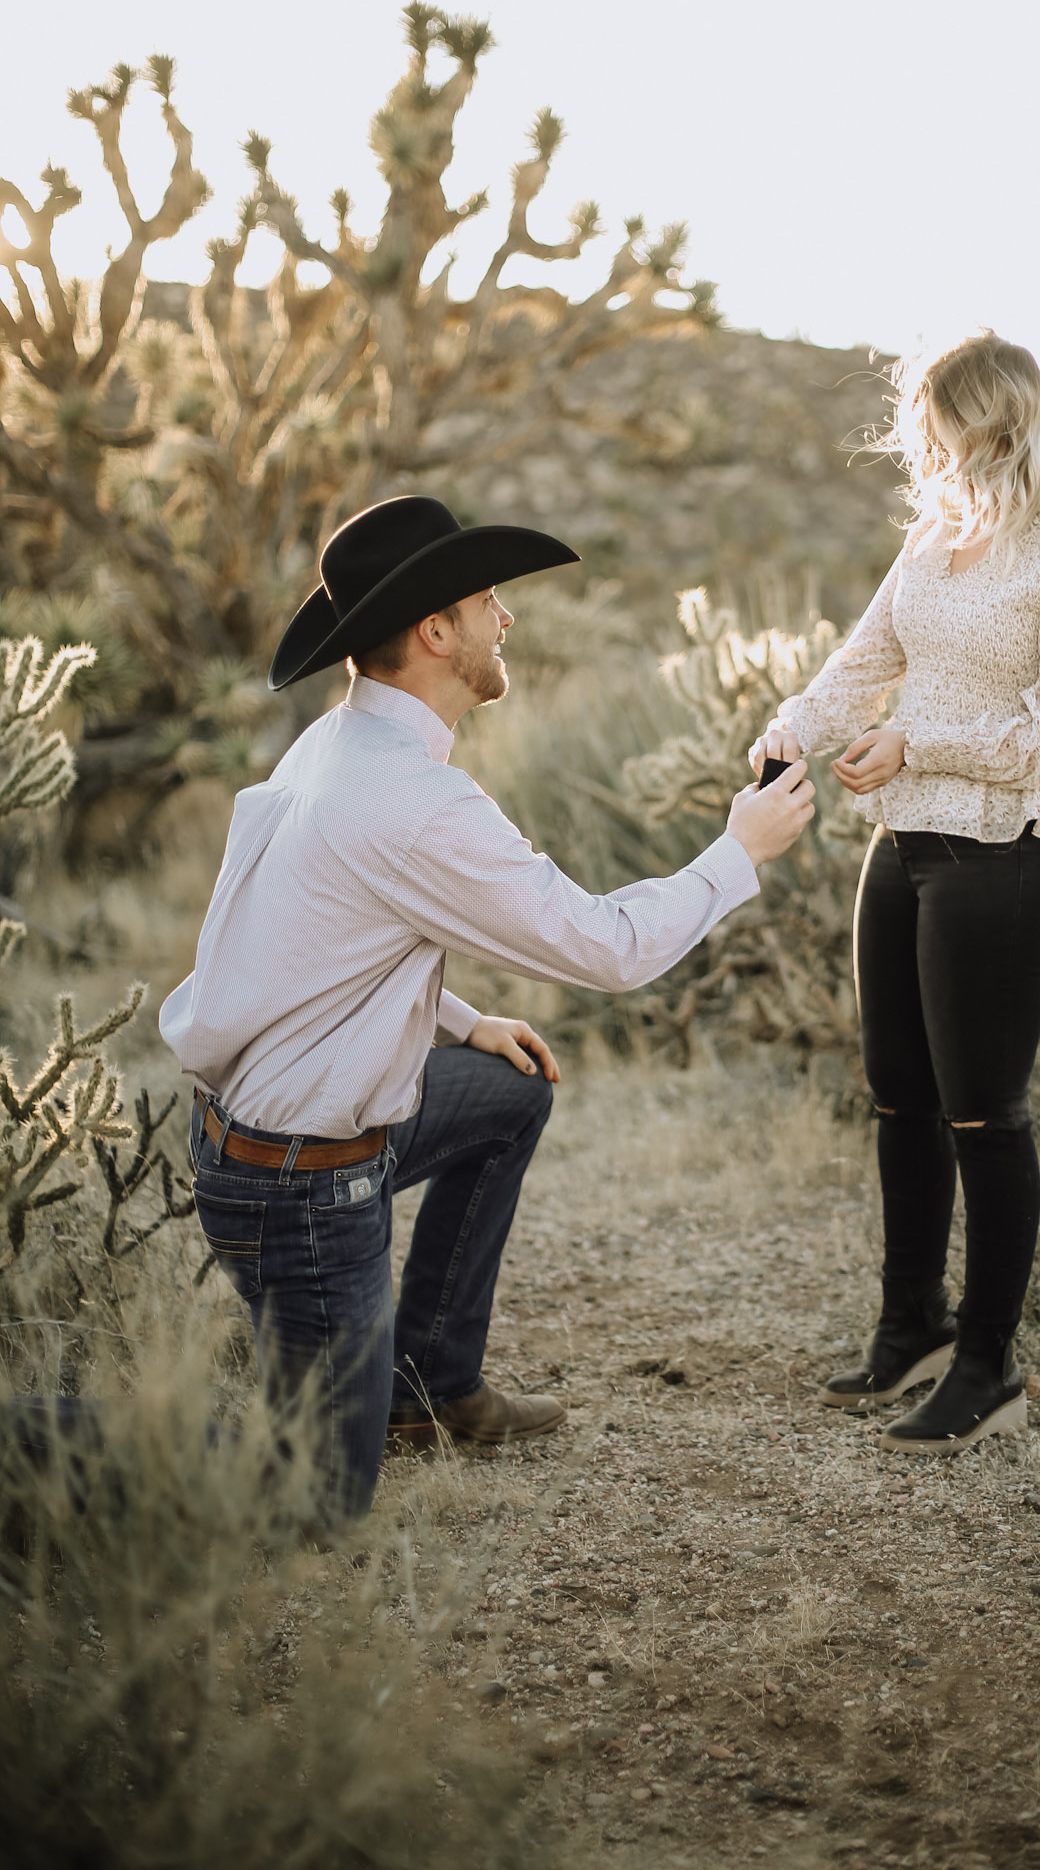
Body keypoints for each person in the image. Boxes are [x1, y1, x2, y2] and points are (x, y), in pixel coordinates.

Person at [161, 493, 814, 1521]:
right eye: (486, 600)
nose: (505, 618)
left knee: (508, 1088)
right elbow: (609, 946)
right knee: (315, 1490)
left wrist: (463, 1022)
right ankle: (32, 1442)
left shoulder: (339, 749)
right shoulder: (413, 801)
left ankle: (431, 1386)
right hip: (299, 1188)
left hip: (266, 1140)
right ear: (436, 631)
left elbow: (318, 953)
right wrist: (741, 851)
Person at [750, 333, 1040, 1455]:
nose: (926, 447)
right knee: (897, 1093)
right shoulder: (939, 530)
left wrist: (919, 741)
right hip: (905, 843)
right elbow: (868, 656)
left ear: (997, 424)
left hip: (1008, 854)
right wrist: (793, 726)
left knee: (982, 1109)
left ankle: (988, 1364)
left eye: (940, 427)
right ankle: (909, 1320)